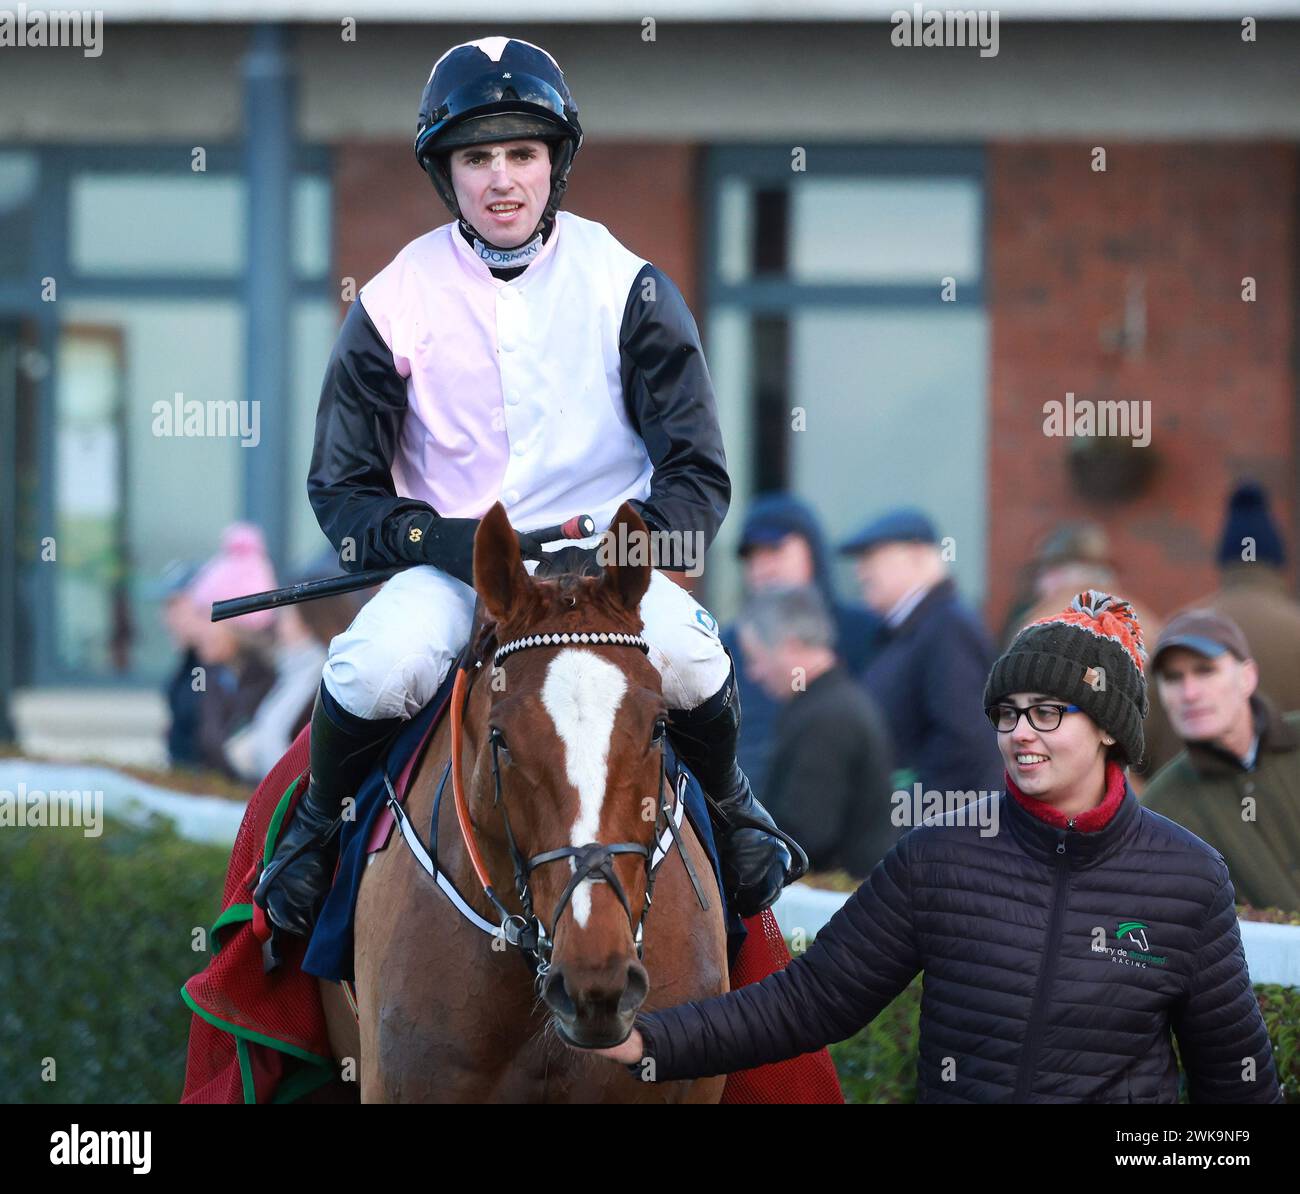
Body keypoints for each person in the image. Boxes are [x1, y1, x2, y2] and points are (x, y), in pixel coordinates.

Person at [253, 36, 794, 938]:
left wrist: (619, 549)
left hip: (605, 575)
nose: (502, 179)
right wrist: (443, 544)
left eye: (522, 154)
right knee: (373, 665)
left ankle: (736, 816)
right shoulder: (390, 302)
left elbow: (698, 477)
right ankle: (315, 836)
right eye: (477, 158)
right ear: (447, 174)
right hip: (456, 573)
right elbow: (342, 495)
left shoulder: (634, 290)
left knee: (697, 661)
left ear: (555, 165)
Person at [580, 592, 1283, 1105]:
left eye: (1046, 712)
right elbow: (809, 1001)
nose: (1020, 734)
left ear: (1108, 730)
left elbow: (1237, 1083)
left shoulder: (1187, 878)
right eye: (1007, 714)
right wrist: (650, 1042)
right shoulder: (941, 856)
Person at [720, 493, 882, 800]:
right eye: (752, 557)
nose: (762, 566)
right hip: (752, 815)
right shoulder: (728, 645)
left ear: (812, 551)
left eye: (775, 550)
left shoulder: (862, 631)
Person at [1141, 609, 1300, 913]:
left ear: (1247, 677)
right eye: (1173, 678)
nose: (1189, 693)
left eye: (1205, 670)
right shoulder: (1161, 809)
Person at [841, 506, 1003, 797]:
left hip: (940, 831)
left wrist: (907, 817)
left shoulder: (948, 628)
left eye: (870, 557)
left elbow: (963, 742)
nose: (859, 571)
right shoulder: (909, 630)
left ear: (917, 555)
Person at [735, 585, 894, 877]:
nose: (753, 673)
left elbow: (805, 836)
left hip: (836, 903)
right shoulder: (832, 702)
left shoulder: (828, 717)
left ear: (791, 646)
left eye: (756, 657)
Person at [186, 524, 280, 780]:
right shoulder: (216, 677)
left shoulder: (272, 682)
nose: (197, 631)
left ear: (238, 627)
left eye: (206, 618)